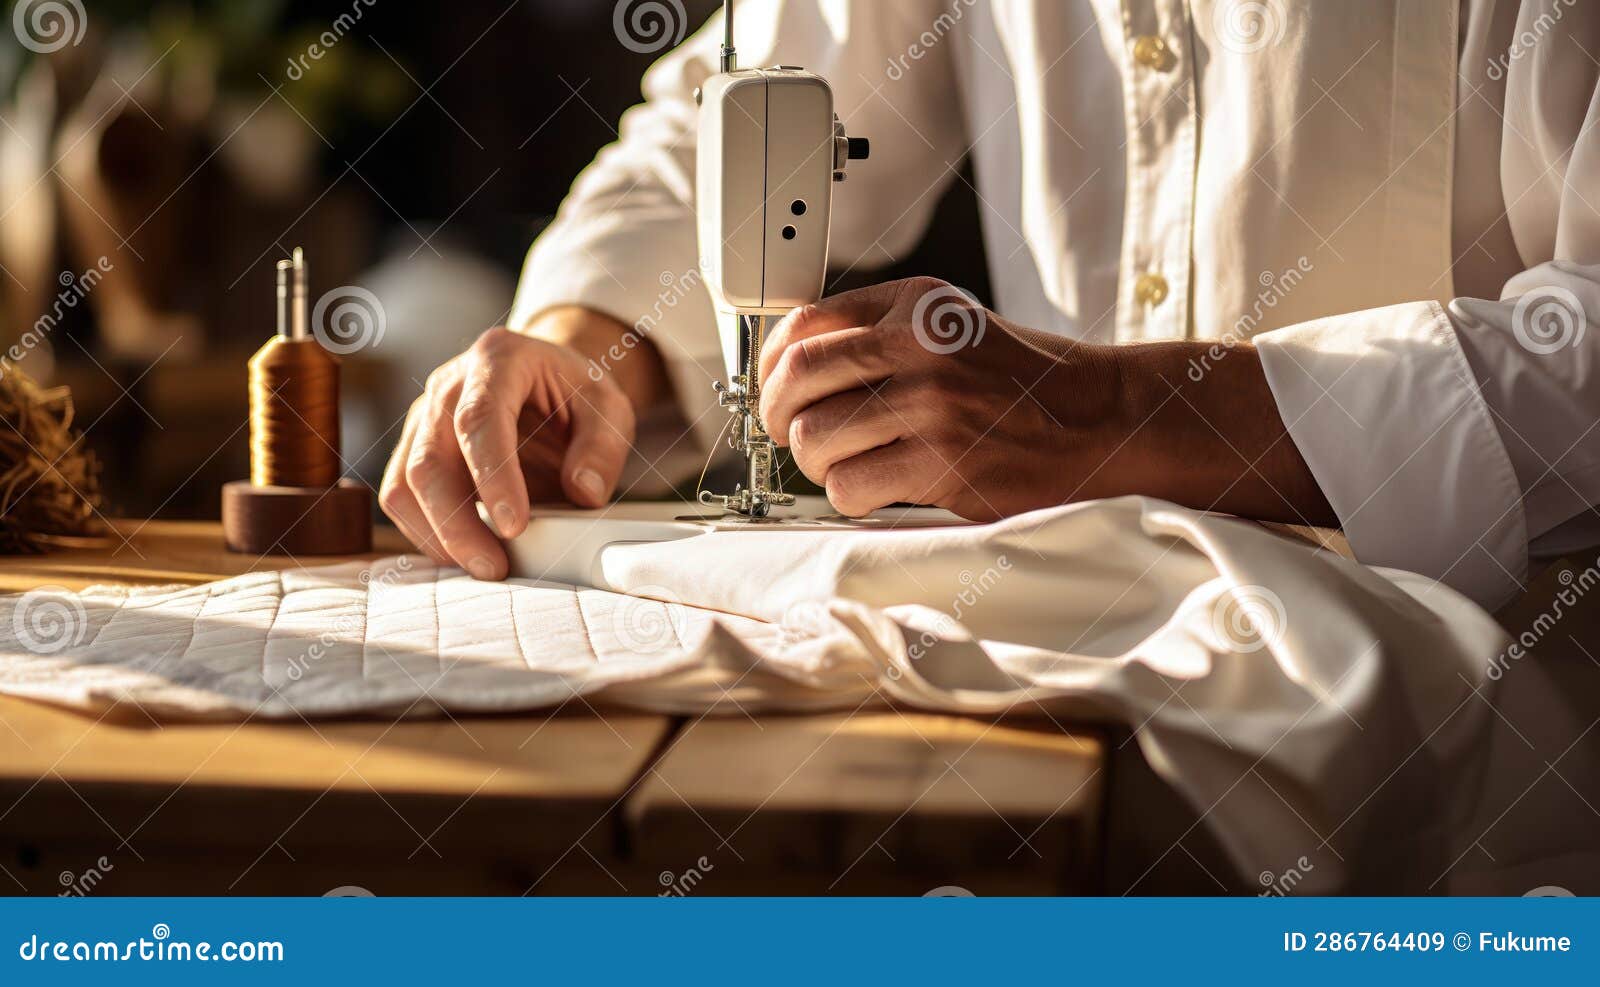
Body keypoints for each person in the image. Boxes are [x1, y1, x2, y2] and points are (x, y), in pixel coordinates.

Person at [380, 0, 1599, 608]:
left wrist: (1122, 415)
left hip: (1487, 770)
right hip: (1068, 690)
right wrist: (585, 347)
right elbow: (740, 120)